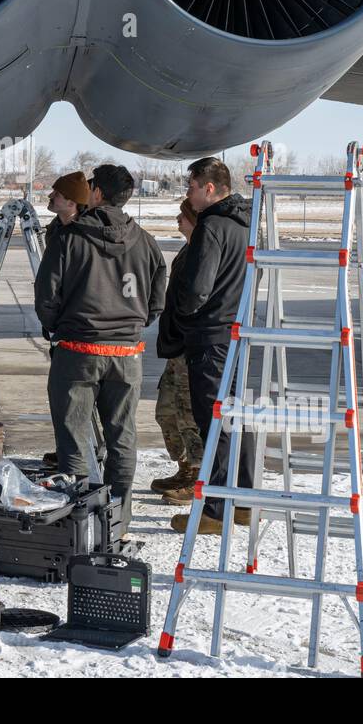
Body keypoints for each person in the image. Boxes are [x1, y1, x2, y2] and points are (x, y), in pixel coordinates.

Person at [34, 164, 166, 531]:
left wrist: (58, 327)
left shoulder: (69, 238)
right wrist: (130, 327)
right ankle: (118, 520)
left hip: (79, 349)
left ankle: (78, 523)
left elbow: (46, 296)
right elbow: (157, 299)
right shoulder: (146, 240)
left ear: (97, 194)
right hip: (127, 354)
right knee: (122, 437)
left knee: (74, 440)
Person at [168, 156, 254, 536]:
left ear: (209, 187)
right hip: (236, 333)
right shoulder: (245, 224)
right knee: (238, 420)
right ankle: (244, 503)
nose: (188, 192)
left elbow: (197, 289)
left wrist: (184, 316)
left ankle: (217, 511)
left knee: (216, 423)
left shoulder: (213, 226)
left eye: (191, 186)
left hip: (210, 338)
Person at [151, 198, 204, 503]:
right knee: (166, 411)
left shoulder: (202, 252)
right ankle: (184, 467)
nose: (177, 219)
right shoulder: (188, 250)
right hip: (177, 347)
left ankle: (197, 477)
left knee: (188, 414)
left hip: (189, 346)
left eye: (183, 216)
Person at [40, 170, 91, 468]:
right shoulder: (54, 230)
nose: (50, 197)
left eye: (57, 194)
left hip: (80, 326)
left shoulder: (86, 234)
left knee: (79, 400)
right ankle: (68, 450)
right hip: (62, 325)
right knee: (63, 400)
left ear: (71, 202)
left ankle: (78, 458)